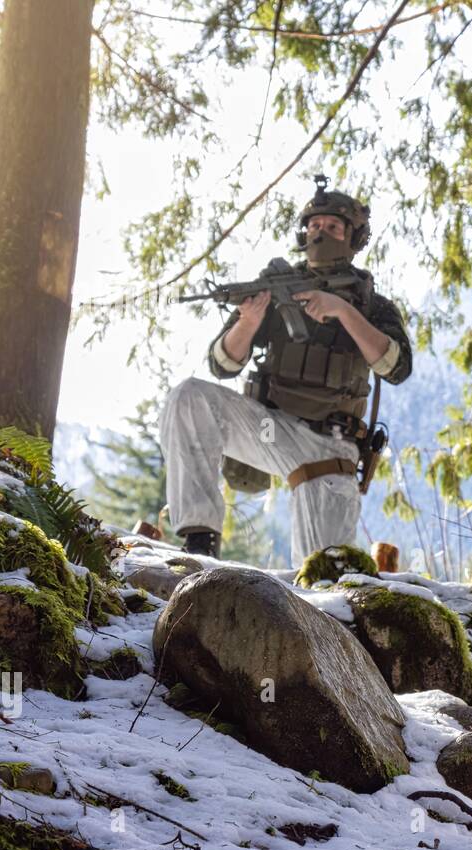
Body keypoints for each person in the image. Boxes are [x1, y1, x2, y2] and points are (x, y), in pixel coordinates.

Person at [159, 178, 412, 565]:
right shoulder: (275, 287)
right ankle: (199, 545)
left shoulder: (372, 305)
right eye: (314, 226)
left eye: (333, 227)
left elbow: (397, 368)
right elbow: (222, 363)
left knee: (326, 581)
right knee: (189, 397)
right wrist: (249, 320)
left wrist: (343, 311)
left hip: (332, 443)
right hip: (271, 430)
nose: (320, 233)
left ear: (353, 238)